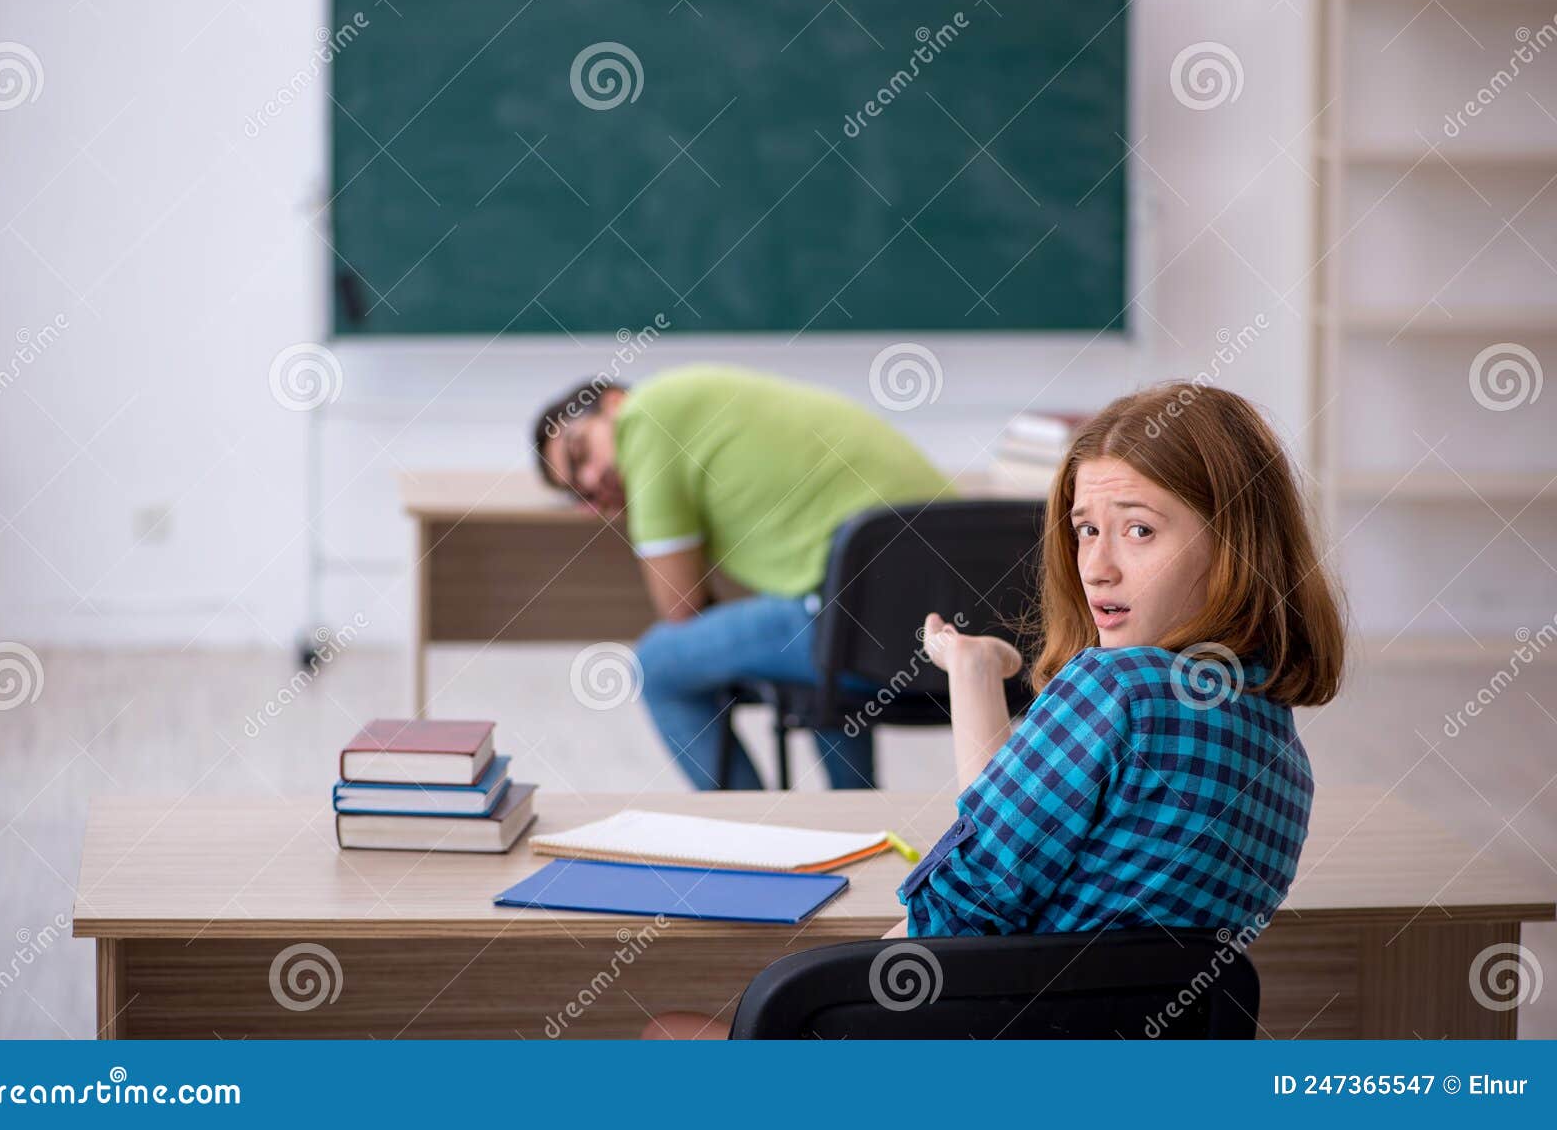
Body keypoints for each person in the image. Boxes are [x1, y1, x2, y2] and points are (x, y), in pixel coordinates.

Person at [642, 379, 1347, 1038]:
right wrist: (972, 677)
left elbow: (954, 916)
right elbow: (1025, 845)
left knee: (667, 1032)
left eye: (1139, 530)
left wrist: (817, 1014)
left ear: (1234, 544)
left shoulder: (1114, 688)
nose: (1097, 567)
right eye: (1085, 529)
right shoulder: (1283, 757)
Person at [533, 363, 956, 790]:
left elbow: (680, 606)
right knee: (808, 626)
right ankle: (857, 815)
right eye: (579, 493)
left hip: (873, 630)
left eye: (580, 452)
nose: (591, 479)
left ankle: (753, 829)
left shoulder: (643, 417)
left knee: (658, 664)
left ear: (613, 403)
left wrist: (643, 510)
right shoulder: (705, 401)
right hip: (958, 623)